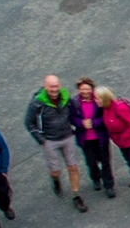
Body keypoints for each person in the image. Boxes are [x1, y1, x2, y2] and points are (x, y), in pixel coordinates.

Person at [25, 75, 89, 213]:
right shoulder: (37, 103)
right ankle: (55, 179)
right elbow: (29, 123)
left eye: (56, 86)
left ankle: (76, 196)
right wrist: (42, 140)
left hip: (67, 136)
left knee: (73, 167)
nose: (54, 90)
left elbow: (77, 111)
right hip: (50, 140)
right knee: (55, 171)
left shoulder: (66, 98)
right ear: (45, 87)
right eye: (51, 87)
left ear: (60, 86)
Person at [98, 87, 130, 207]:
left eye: (97, 98)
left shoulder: (120, 108)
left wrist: (123, 138)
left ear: (104, 99)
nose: (95, 101)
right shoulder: (105, 109)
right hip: (121, 142)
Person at [69, 77, 115, 199]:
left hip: (100, 136)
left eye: (87, 89)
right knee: (91, 162)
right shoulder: (74, 102)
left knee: (105, 161)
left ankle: (109, 185)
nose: (85, 92)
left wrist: (94, 123)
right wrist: (81, 123)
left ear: (92, 89)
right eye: (82, 89)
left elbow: (106, 114)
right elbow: (72, 117)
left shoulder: (98, 100)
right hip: (86, 138)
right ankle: (96, 178)